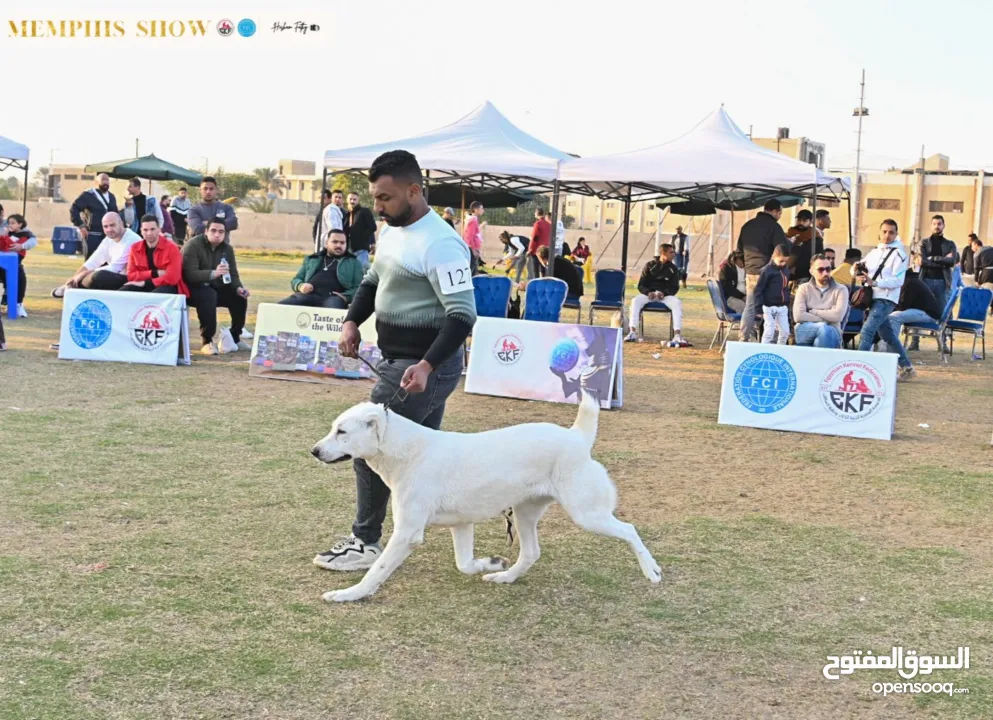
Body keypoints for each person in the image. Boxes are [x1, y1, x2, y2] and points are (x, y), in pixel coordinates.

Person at [313, 150, 476, 571]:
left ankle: (365, 541)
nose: (378, 208)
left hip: (421, 369)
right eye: (374, 198)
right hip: (396, 361)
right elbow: (371, 281)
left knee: (368, 448)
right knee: (420, 457)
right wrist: (352, 321)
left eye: (385, 198)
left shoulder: (442, 243)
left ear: (414, 191)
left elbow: (462, 316)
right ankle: (413, 526)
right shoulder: (391, 233)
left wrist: (425, 366)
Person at [182, 217, 250, 355]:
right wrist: (213, 273)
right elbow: (189, 274)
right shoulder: (193, 245)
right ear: (206, 231)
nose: (217, 234)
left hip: (216, 287)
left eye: (221, 231)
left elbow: (233, 275)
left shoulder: (227, 249)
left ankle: (235, 337)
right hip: (193, 289)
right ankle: (207, 341)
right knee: (208, 295)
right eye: (213, 230)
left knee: (239, 297)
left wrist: (238, 288)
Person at [856, 219, 914, 380]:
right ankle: (907, 366)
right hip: (872, 297)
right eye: (884, 231)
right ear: (879, 233)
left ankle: (859, 369)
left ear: (896, 234)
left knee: (867, 331)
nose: (887, 235)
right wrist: (857, 270)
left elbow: (898, 280)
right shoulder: (874, 252)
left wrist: (875, 282)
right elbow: (863, 271)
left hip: (886, 299)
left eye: (891, 232)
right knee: (888, 335)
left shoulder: (900, 255)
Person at [51, 212, 141, 295]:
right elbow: (93, 261)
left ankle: (73, 289)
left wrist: (85, 274)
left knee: (98, 276)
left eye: (112, 225)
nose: (109, 229)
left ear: (121, 223)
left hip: (131, 280)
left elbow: (116, 268)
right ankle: (71, 287)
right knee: (94, 275)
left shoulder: (132, 240)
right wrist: (74, 277)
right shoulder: (108, 240)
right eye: (105, 227)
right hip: (116, 276)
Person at [737, 199, 788, 341]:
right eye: (780, 213)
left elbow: (738, 251)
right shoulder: (774, 227)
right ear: (775, 211)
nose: (779, 216)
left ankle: (743, 338)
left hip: (751, 272)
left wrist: (747, 267)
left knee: (751, 306)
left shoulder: (747, 225)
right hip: (769, 272)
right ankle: (771, 340)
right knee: (774, 306)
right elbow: (781, 250)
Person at [279, 230, 363, 308]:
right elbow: (296, 279)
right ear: (326, 243)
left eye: (342, 243)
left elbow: (359, 287)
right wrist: (301, 286)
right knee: (281, 306)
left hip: (334, 298)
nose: (339, 245)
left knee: (332, 310)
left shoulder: (354, 263)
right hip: (308, 295)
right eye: (335, 242)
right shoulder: (312, 259)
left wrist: (346, 297)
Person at [625, 244, 685, 345]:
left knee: (677, 303)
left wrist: (664, 293)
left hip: (665, 296)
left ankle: (677, 335)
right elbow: (641, 285)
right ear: (663, 253)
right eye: (671, 252)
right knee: (635, 301)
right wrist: (648, 292)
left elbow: (674, 287)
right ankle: (632, 332)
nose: (674, 255)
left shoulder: (673, 269)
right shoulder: (649, 265)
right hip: (649, 295)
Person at [877, 268, 942, 354]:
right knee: (892, 315)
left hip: (929, 315)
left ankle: (891, 350)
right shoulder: (911, 280)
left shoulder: (909, 283)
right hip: (924, 312)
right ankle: (887, 346)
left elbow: (903, 305)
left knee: (894, 317)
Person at [122, 214, 189, 295]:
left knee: (154, 296)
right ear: (141, 231)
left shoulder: (172, 248)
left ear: (159, 229)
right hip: (144, 284)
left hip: (167, 286)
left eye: (152, 229)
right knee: (123, 291)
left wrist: (145, 282)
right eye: (145, 230)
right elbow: (131, 276)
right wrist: (155, 273)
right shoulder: (135, 248)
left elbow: (173, 278)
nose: (149, 233)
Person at [792, 254, 849, 349]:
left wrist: (814, 311)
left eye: (828, 269)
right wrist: (827, 319)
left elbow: (838, 316)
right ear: (811, 271)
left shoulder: (841, 289)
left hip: (832, 330)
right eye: (820, 270)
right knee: (823, 328)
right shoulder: (803, 288)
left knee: (825, 333)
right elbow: (798, 316)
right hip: (806, 328)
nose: (825, 273)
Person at [70, 172, 119, 258]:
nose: (106, 182)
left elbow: (115, 214)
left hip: (108, 235)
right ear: (97, 182)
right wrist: (81, 225)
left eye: (107, 180)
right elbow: (74, 208)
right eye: (103, 180)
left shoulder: (112, 197)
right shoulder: (88, 195)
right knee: (91, 261)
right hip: (93, 234)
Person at [919, 214, 959, 311]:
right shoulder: (924, 243)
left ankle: (946, 326)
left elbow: (952, 261)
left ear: (943, 226)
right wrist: (943, 262)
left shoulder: (950, 244)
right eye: (934, 224)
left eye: (939, 224)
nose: (937, 226)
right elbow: (923, 262)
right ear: (931, 226)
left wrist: (933, 258)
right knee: (924, 308)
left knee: (943, 310)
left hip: (942, 281)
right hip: (926, 280)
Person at [0, 214, 36, 317]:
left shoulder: (23, 235)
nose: (10, 225)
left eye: (13, 223)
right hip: (2, 259)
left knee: (18, 273)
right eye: (9, 223)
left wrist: (5, 236)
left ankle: (17, 304)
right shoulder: (8, 233)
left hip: (14, 260)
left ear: (20, 225)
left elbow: (11, 246)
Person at [754, 245, 791, 344]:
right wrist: (758, 308)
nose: (783, 264)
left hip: (783, 306)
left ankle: (780, 350)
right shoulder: (767, 270)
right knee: (769, 331)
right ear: (774, 257)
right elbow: (758, 289)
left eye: (785, 261)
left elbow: (785, 287)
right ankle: (764, 350)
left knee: (785, 332)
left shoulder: (786, 270)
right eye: (781, 261)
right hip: (769, 306)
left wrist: (787, 301)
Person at [786, 209, 826, 285]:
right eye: (799, 220)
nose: (800, 222)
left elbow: (819, 257)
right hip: (788, 275)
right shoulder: (790, 233)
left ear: (810, 222)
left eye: (804, 220)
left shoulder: (815, 238)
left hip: (804, 275)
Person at [343, 191, 377, 269]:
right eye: (350, 199)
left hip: (361, 248)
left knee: (362, 270)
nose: (352, 201)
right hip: (349, 248)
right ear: (347, 200)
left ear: (358, 200)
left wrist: (362, 237)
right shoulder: (347, 214)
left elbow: (373, 227)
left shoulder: (364, 211)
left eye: (354, 199)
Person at [313, 188, 345, 254]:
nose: (337, 199)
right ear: (332, 198)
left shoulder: (331, 210)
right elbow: (334, 231)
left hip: (328, 246)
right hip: (327, 246)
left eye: (339, 197)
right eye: (335, 197)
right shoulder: (331, 210)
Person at [527, 207, 552, 280]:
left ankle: (536, 284)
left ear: (536, 213)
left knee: (535, 270)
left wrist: (530, 249)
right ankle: (545, 283)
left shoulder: (537, 224)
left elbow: (535, 238)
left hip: (536, 250)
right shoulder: (548, 224)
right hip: (545, 249)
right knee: (544, 269)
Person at [462, 201, 484, 275]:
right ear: (475, 209)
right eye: (481, 208)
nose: (482, 210)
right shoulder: (473, 220)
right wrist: (473, 249)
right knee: (471, 269)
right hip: (471, 249)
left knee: (473, 268)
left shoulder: (473, 220)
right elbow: (469, 236)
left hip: (473, 248)